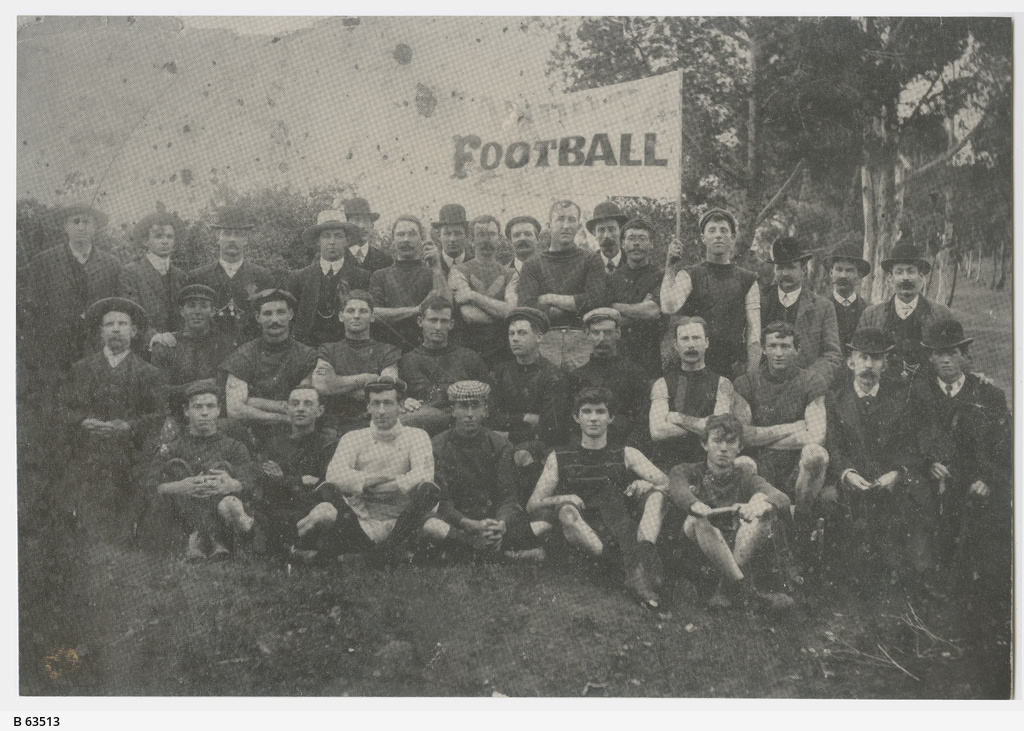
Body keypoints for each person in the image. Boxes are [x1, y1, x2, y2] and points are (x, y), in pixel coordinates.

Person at [527, 387, 667, 611]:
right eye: (586, 411)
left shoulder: (626, 453)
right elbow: (533, 503)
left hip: (619, 524)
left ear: (611, 417)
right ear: (576, 417)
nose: (593, 418)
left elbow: (666, 482)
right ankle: (632, 571)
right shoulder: (560, 457)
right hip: (583, 531)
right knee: (567, 512)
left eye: (600, 412)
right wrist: (565, 496)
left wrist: (647, 483)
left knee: (658, 496)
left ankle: (643, 557)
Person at [293, 376, 441, 564]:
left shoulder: (417, 436)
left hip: (403, 520)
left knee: (428, 490)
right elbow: (334, 475)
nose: (381, 411)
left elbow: (423, 474)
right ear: (368, 407)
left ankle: (370, 554)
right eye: (375, 404)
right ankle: (297, 547)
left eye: (388, 403)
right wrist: (367, 480)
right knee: (324, 510)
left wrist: (390, 486)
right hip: (361, 519)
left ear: (401, 406)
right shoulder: (353, 437)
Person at [910, 319, 1011, 589]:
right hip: (932, 481)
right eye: (939, 353)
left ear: (964, 356)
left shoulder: (988, 395)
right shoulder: (917, 393)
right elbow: (907, 439)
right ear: (930, 357)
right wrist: (927, 462)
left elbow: (1005, 448)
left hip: (974, 482)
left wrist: (987, 480)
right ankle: (926, 578)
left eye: (952, 353)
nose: (946, 361)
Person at [825, 328, 927, 586]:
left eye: (876, 359)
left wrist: (897, 473)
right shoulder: (835, 399)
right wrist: (847, 473)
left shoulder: (901, 400)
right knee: (831, 504)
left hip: (888, 482)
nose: (868, 365)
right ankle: (840, 575)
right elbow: (833, 445)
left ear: (885, 363)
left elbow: (910, 446)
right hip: (850, 481)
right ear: (850, 362)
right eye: (862, 358)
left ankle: (896, 572)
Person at [59, 297, 167, 541]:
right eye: (109, 324)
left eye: (122, 324)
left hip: (130, 450)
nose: (116, 329)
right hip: (88, 447)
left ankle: (125, 527)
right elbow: (64, 408)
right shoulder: (81, 369)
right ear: (100, 332)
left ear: (134, 331)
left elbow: (158, 414)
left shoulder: (149, 373)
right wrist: (82, 422)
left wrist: (128, 426)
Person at [663, 414, 795, 611]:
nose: (723, 448)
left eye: (731, 442)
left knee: (763, 508)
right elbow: (676, 486)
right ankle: (743, 589)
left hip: (736, 545)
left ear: (740, 447)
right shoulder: (689, 471)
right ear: (705, 444)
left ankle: (727, 588)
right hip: (698, 546)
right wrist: (695, 505)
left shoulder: (745, 476)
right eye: (717, 441)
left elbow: (781, 498)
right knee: (699, 519)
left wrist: (760, 506)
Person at [733, 322, 829, 554]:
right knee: (740, 464)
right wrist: (792, 427)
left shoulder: (811, 381)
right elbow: (743, 436)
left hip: (796, 467)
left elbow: (816, 435)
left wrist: (762, 436)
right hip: (758, 463)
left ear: (797, 349)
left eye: (785, 346)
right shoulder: (745, 383)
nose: (778, 353)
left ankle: (802, 520)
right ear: (764, 350)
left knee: (816, 454)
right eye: (773, 346)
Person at [422, 381, 546, 561]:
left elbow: (508, 497)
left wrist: (500, 524)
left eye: (476, 406)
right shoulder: (437, 446)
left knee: (542, 521)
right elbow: (442, 501)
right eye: (463, 407)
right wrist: (468, 524)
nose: (470, 414)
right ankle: (503, 554)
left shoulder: (500, 445)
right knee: (430, 524)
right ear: (453, 410)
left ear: (485, 411)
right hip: (457, 521)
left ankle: (465, 551)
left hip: (491, 520)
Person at [140, 379, 256, 560]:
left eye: (210, 406)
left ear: (218, 410)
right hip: (181, 518)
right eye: (197, 407)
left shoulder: (234, 447)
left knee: (222, 468)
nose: (204, 413)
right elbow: (149, 485)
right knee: (177, 466)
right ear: (186, 411)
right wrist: (180, 486)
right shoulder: (171, 448)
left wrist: (231, 485)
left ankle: (208, 539)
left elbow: (250, 481)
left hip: (220, 514)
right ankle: (205, 539)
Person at [660, 207, 761, 379]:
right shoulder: (689, 274)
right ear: (703, 238)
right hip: (694, 365)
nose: (718, 235)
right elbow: (669, 307)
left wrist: (751, 372)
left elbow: (754, 330)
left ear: (733, 238)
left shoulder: (748, 279)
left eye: (724, 230)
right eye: (712, 230)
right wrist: (670, 266)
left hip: (732, 366)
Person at [27, 204, 122, 373]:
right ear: (65, 226)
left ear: (95, 228)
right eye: (75, 222)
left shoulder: (111, 264)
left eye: (86, 222)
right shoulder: (43, 262)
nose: (81, 227)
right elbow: (33, 310)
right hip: (55, 350)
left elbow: (116, 307)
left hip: (97, 349)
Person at [517, 200, 606, 370]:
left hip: (581, 340)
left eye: (571, 220)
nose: (566, 226)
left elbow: (596, 300)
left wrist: (550, 299)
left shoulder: (591, 259)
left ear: (578, 226)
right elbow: (527, 308)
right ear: (549, 225)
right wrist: (574, 305)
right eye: (560, 219)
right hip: (545, 341)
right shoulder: (532, 264)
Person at [221, 289, 318, 443]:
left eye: (281, 312)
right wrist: (280, 416)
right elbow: (235, 410)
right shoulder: (244, 354)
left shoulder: (306, 355)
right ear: (257, 317)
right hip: (253, 432)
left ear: (290, 315)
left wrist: (252, 401)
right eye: (267, 314)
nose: (275, 320)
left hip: (294, 434)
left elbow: (303, 405)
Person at [254, 386, 339, 557]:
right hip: (278, 510)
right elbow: (267, 482)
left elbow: (325, 485)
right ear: (287, 408)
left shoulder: (328, 445)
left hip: (310, 509)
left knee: (326, 513)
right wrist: (301, 480)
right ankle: (294, 548)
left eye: (308, 404)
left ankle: (285, 547)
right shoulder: (274, 444)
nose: (300, 408)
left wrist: (284, 478)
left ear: (319, 410)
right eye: (295, 403)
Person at [648, 316, 737, 472]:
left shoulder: (723, 383)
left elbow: (719, 430)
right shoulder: (662, 384)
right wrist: (703, 424)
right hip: (669, 463)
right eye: (685, 339)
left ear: (706, 342)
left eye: (696, 338)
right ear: (675, 345)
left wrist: (678, 418)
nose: (691, 345)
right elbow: (657, 431)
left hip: (708, 465)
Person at [857, 242, 953, 384]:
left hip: (928, 395)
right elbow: (859, 358)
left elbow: (957, 358)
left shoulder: (941, 314)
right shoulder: (871, 315)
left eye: (911, 271)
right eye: (899, 272)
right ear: (890, 279)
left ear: (921, 277)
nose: (905, 278)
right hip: (884, 395)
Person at [311, 290, 402, 433]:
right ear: (341, 316)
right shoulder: (328, 350)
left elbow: (386, 389)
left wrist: (336, 383)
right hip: (332, 425)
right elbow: (321, 385)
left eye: (363, 311)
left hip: (372, 423)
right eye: (350, 311)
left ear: (372, 317)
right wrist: (369, 378)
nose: (356, 316)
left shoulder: (387, 351)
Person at [398, 296, 491, 436]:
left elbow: (488, 400)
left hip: (463, 430)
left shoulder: (469, 357)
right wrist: (404, 401)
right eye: (433, 320)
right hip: (421, 431)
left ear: (451, 324)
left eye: (444, 321)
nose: (438, 327)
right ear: (420, 322)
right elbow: (400, 400)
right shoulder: (407, 360)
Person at [186, 206, 277, 347]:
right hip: (207, 353)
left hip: (251, 355)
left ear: (245, 239)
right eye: (227, 233)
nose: (232, 239)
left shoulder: (263, 277)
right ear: (218, 237)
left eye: (238, 234)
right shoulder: (198, 277)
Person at [761, 237, 843, 388]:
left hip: (804, 389)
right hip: (763, 387)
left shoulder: (823, 307)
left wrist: (807, 381)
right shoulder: (760, 301)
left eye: (791, 267)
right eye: (779, 268)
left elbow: (832, 356)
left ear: (803, 270)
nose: (785, 273)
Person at [151, 284, 236, 421]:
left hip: (216, 418)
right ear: (182, 311)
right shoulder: (167, 346)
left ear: (213, 311)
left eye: (203, 306)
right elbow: (159, 391)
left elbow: (227, 386)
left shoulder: (225, 345)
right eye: (191, 305)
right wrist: (198, 386)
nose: (197, 311)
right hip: (177, 416)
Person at [564, 308, 649, 447]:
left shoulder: (635, 373)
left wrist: (628, 450)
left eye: (608, 332)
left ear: (618, 333)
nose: (601, 339)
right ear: (587, 335)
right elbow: (570, 422)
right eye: (596, 332)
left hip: (625, 447)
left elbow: (643, 420)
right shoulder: (577, 376)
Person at [288, 210, 370, 347]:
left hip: (347, 350)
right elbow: (291, 319)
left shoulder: (362, 277)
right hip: (307, 350)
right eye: (326, 236)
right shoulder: (299, 277)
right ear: (317, 241)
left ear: (347, 240)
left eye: (338, 236)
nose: (332, 242)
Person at [368, 215, 451, 351]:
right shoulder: (380, 275)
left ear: (421, 238)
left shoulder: (433, 273)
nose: (406, 240)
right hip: (388, 350)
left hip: (427, 351)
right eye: (401, 234)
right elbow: (373, 313)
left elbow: (448, 306)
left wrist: (436, 267)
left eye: (412, 234)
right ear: (393, 239)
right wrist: (417, 310)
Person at [489, 307, 566, 448]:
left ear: (539, 337)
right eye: (511, 333)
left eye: (522, 333)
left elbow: (550, 429)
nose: (515, 339)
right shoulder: (501, 371)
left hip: (538, 447)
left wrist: (508, 434)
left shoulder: (553, 376)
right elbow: (490, 416)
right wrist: (525, 419)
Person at [449, 213, 518, 365]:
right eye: (480, 234)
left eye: (492, 234)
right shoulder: (458, 271)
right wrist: (503, 314)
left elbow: (512, 311)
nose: (486, 240)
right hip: (468, 349)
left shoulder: (511, 274)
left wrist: (473, 296)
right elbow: (470, 315)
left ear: (499, 239)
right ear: (472, 240)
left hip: (503, 351)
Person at [604, 218, 665, 378]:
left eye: (642, 238)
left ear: (651, 244)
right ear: (623, 244)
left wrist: (616, 307)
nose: (636, 243)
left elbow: (653, 311)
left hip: (650, 358)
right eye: (631, 238)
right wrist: (640, 310)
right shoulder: (611, 279)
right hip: (617, 356)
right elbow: (607, 318)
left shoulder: (661, 276)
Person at [119, 211, 188, 350]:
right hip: (145, 348)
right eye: (158, 236)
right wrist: (153, 336)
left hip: (177, 347)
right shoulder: (131, 273)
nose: (165, 241)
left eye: (169, 237)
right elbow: (130, 312)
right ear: (146, 240)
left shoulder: (180, 276)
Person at [824, 241, 871, 358]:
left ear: (859, 275)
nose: (843, 275)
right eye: (839, 270)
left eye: (849, 270)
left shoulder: (869, 310)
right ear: (831, 273)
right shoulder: (819, 307)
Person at [343, 197, 394, 274]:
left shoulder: (385, 260)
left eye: (366, 221)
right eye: (357, 220)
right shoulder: (338, 257)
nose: (362, 226)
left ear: (372, 226)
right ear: (346, 225)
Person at [586, 201, 629, 275]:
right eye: (601, 230)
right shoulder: (587, 265)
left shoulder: (632, 262)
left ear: (621, 231)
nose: (606, 235)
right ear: (594, 234)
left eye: (611, 229)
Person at [432, 203, 474, 277]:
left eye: (458, 233)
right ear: (439, 236)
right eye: (447, 234)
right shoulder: (431, 266)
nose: (452, 239)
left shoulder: (475, 266)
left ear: (466, 235)